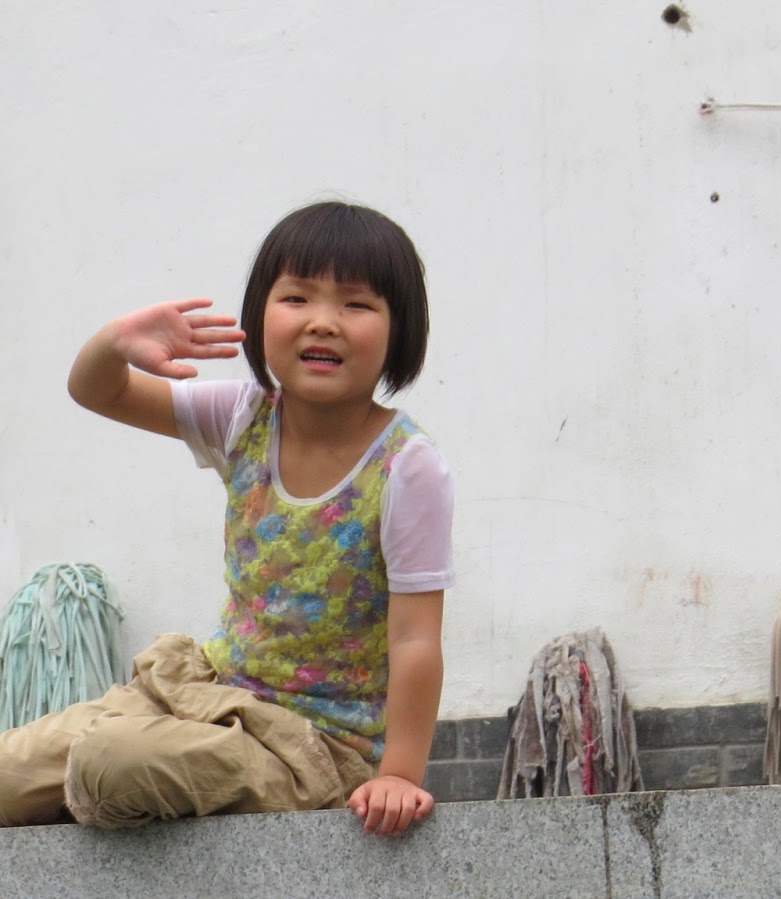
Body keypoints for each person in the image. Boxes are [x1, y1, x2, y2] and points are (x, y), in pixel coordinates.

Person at [0, 202, 453, 838]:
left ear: (400, 330)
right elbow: (96, 390)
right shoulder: (243, 416)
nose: (324, 323)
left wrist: (400, 774)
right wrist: (115, 341)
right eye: (297, 297)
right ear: (259, 316)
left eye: (356, 305)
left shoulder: (407, 468)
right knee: (6, 775)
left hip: (309, 745)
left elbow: (415, 640)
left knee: (109, 763)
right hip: (204, 692)